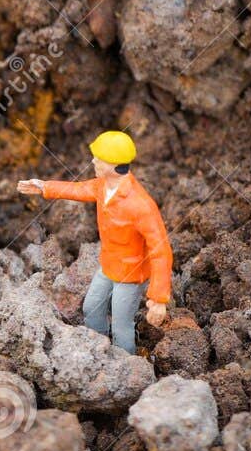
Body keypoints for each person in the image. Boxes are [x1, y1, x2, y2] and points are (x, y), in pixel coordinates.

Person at [17, 130, 172, 352]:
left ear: (114, 164)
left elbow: (160, 250)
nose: (93, 161)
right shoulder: (102, 186)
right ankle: (97, 349)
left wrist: (158, 298)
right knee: (91, 308)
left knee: (121, 324)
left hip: (130, 274)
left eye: (99, 158)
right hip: (108, 265)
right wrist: (45, 186)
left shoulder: (140, 204)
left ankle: (124, 363)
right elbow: (78, 189)